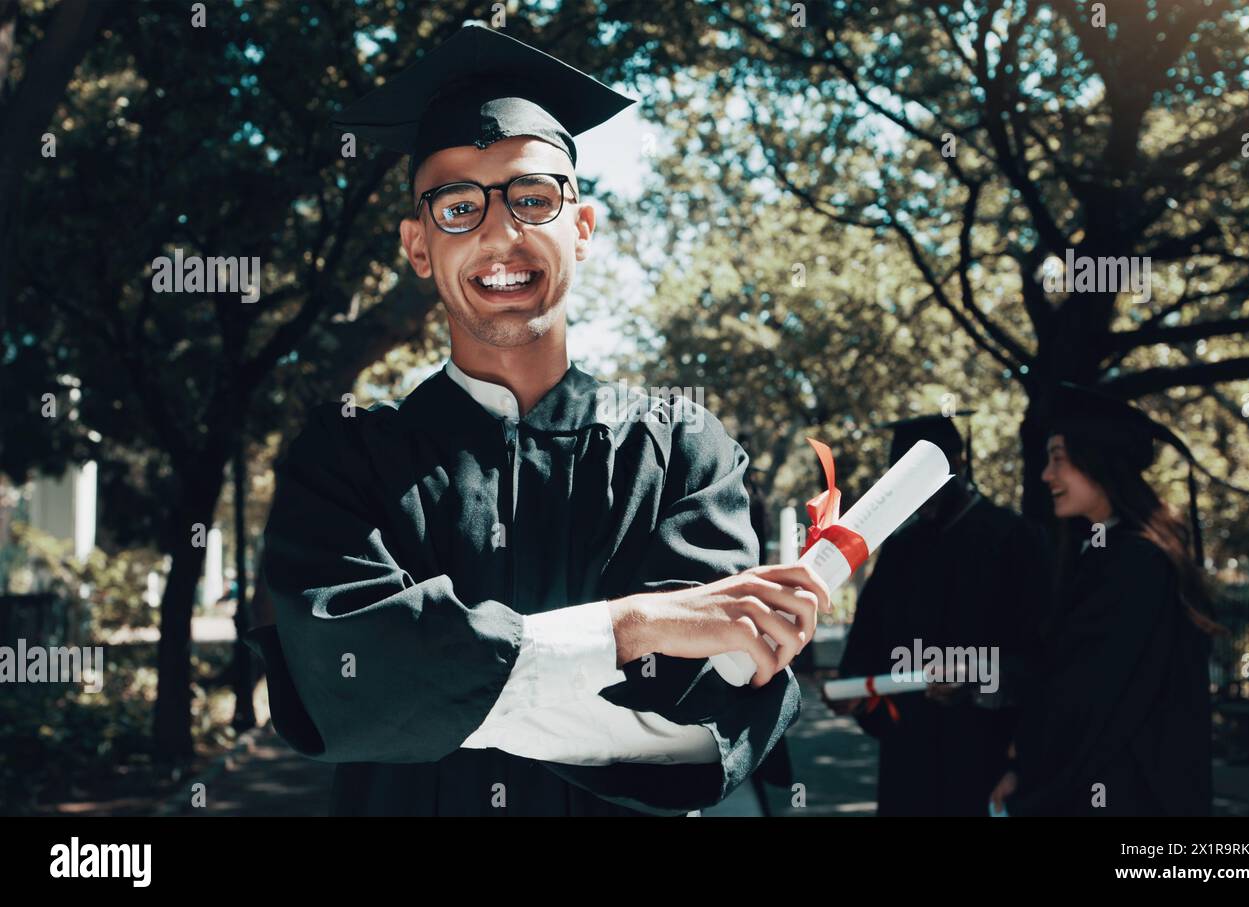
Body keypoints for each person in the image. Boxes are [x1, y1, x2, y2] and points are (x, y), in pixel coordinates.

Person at [245, 24, 830, 817]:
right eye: (457, 205)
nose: (498, 232)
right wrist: (631, 627)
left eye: (532, 196)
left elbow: (697, 721)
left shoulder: (684, 454)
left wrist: (436, 691)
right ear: (418, 247)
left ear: (580, 228)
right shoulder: (344, 462)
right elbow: (347, 681)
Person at [993, 384, 1218, 816]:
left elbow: (1086, 695)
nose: (1046, 475)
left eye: (1058, 458)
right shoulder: (1103, 551)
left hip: (1126, 792)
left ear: (1096, 459)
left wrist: (1030, 771)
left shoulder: (1136, 563)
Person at [827, 413, 1046, 816]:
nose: (914, 495)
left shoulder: (1013, 539)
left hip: (982, 752)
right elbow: (868, 641)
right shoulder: (901, 549)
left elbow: (1037, 656)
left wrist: (976, 679)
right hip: (907, 752)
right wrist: (853, 689)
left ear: (958, 465)